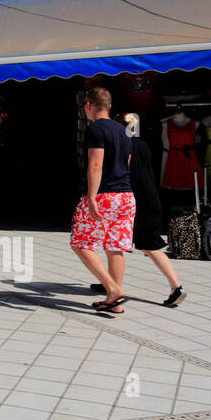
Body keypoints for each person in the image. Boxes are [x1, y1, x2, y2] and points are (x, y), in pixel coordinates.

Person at [86, 114, 186, 307]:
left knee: (146, 246)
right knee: (119, 243)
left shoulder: (125, 146)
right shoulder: (143, 144)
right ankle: (109, 283)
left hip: (137, 200)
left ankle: (176, 287)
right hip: (150, 199)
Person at [69, 87, 136, 314]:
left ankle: (113, 289)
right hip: (126, 195)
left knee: (80, 243)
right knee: (115, 247)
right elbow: (127, 162)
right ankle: (112, 300)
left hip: (104, 195)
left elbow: (95, 164)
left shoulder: (96, 130)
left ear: (88, 105)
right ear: (109, 106)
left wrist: (91, 197)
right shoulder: (124, 130)